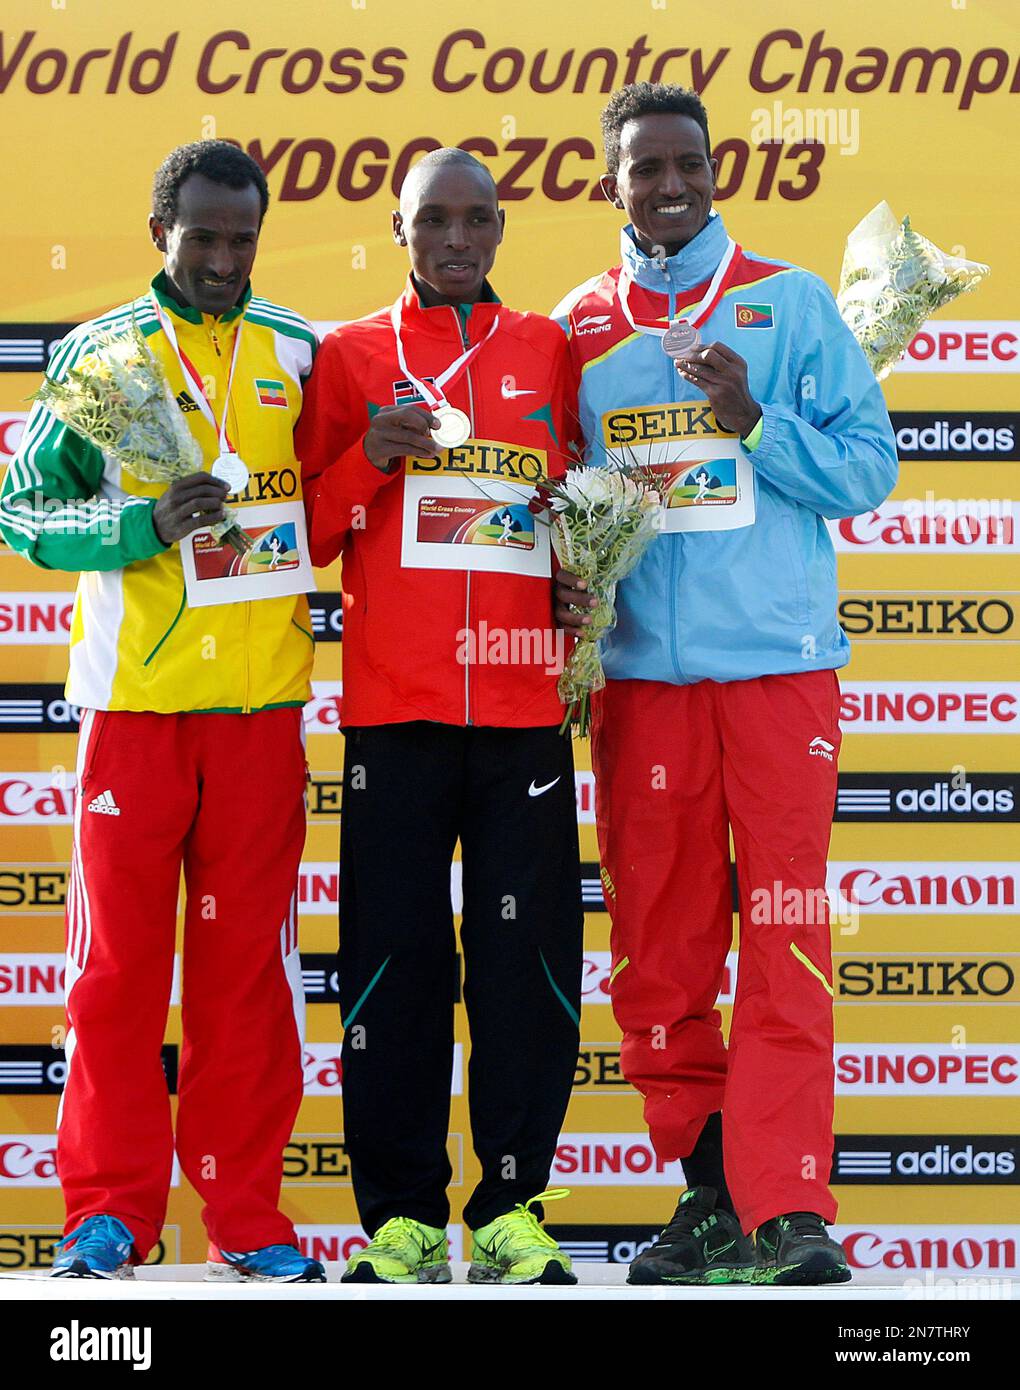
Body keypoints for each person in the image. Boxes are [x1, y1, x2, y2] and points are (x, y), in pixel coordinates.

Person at [553, 83, 898, 1286]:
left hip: (778, 678)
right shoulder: (579, 327)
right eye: (645, 168)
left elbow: (869, 472)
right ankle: (709, 1191)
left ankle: (791, 1203)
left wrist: (754, 422)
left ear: (714, 170)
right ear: (614, 183)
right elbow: (555, 506)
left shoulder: (792, 301)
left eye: (687, 163)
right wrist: (569, 590)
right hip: (643, 687)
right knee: (660, 953)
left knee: (790, 935)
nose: (670, 185)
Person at [0, 141, 325, 1283]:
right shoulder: (99, 356)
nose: (225, 259)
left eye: (242, 238)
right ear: (161, 235)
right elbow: (22, 511)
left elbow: (330, 504)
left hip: (258, 713)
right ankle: (109, 1211)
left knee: (246, 978)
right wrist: (141, 529)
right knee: (117, 975)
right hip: (133, 709)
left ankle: (246, 1212)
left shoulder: (298, 349)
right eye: (203, 239)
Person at [295, 148, 583, 1286]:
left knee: (528, 967)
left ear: (501, 230)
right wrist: (369, 457)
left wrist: (581, 567)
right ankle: (402, 1219)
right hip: (396, 716)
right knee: (393, 966)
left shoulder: (550, 350)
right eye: (434, 222)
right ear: (398, 229)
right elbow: (307, 535)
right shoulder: (352, 353)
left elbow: (584, 505)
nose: (457, 240)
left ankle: (514, 1210)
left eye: (476, 220)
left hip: (522, 709)